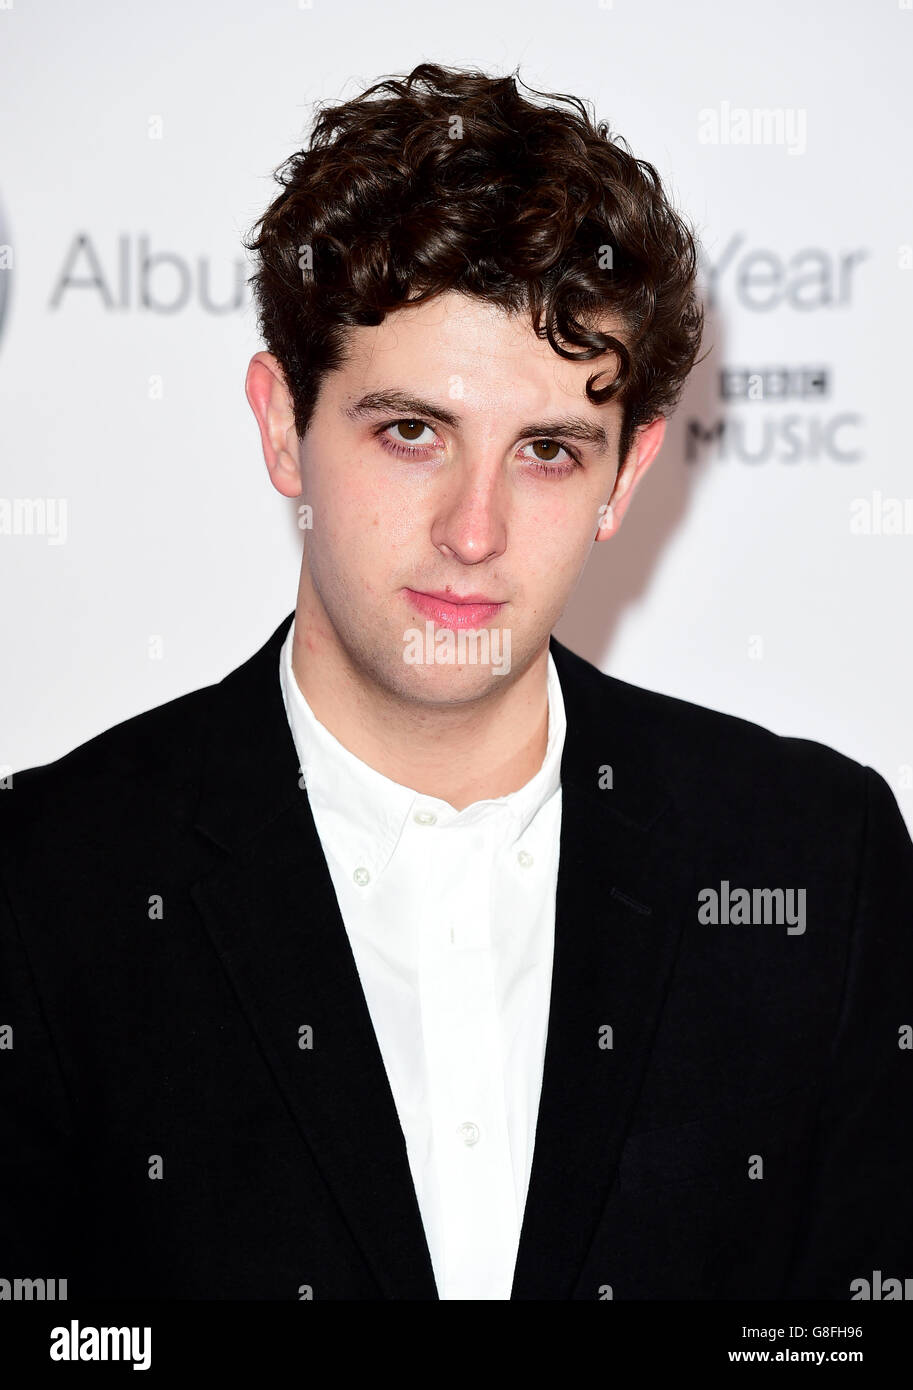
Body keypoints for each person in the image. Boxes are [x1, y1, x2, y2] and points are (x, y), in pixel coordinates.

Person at [1, 63, 910, 1302]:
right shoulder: (49, 881)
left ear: (625, 479)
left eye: (545, 451)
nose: (473, 532)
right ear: (282, 428)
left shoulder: (815, 859)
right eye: (410, 431)